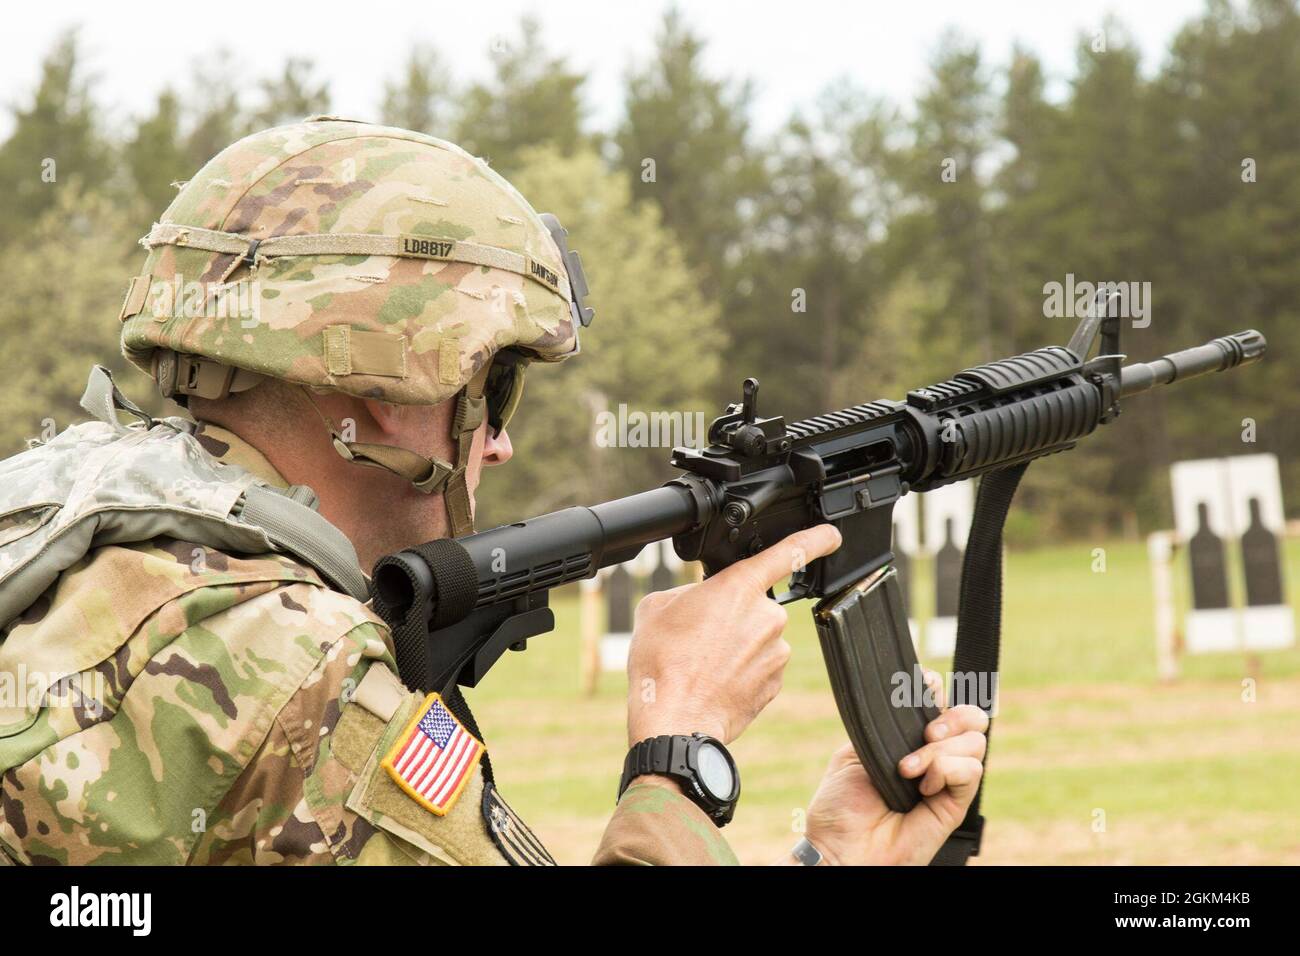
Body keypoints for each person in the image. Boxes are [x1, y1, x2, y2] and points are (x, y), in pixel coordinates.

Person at [0, 118, 986, 866]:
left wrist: (833, 852)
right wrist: (681, 749)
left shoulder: (59, 518)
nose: (501, 442)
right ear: (386, 388)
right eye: (492, 390)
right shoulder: (295, 667)